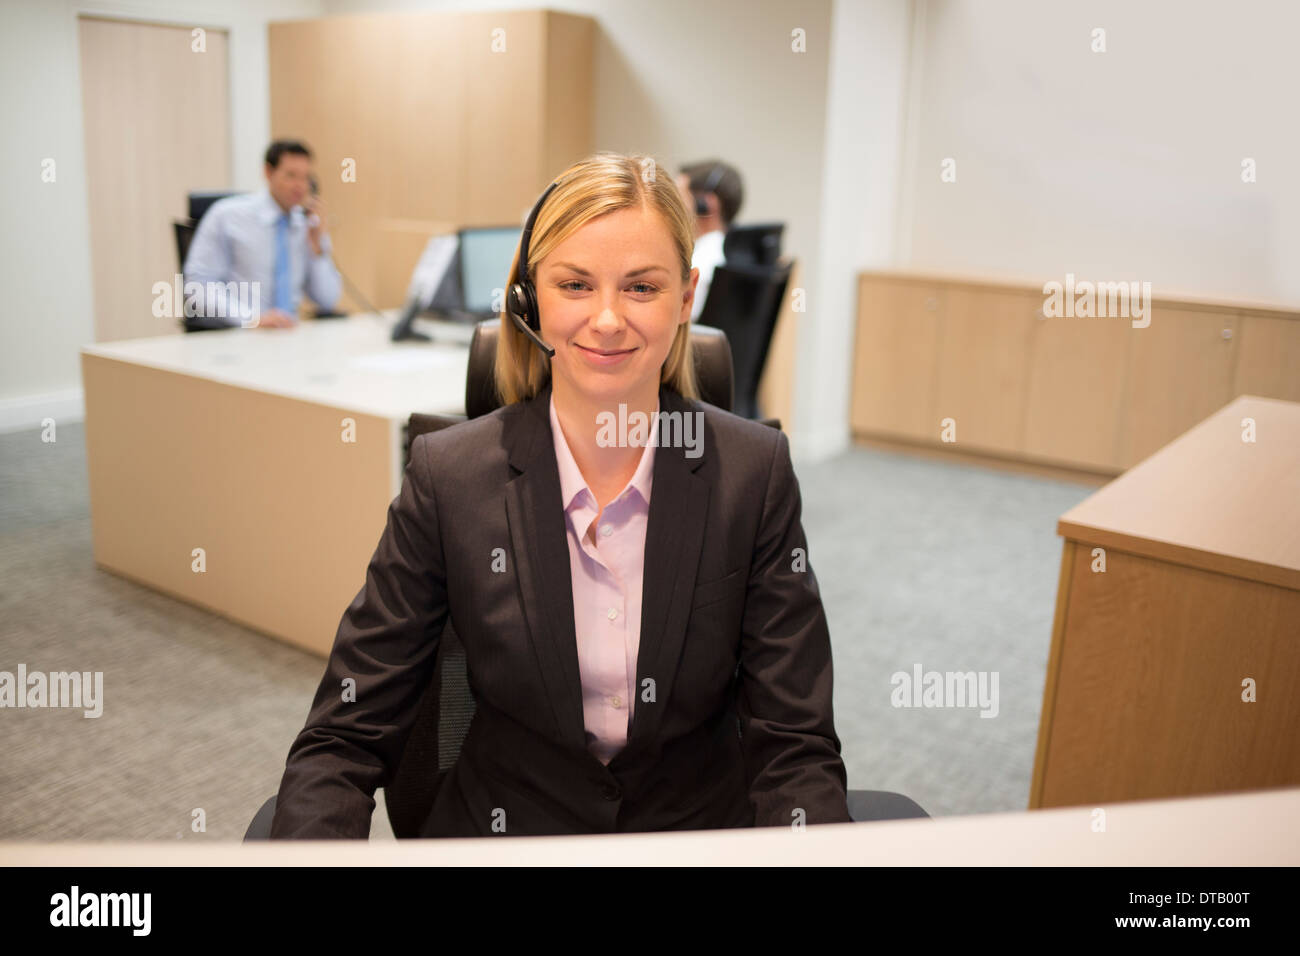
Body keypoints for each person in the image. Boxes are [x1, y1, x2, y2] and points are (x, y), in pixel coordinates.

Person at [269, 152, 850, 838]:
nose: (606, 320)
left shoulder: (752, 475)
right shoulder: (449, 477)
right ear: (529, 300)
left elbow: (795, 742)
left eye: (641, 288)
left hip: (692, 838)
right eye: (575, 285)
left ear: (686, 297)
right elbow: (344, 733)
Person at [182, 140, 341, 329]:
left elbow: (327, 300)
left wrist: (318, 249)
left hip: (289, 337)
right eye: (291, 176)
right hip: (238, 333)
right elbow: (198, 285)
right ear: (268, 172)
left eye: (305, 177)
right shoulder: (227, 215)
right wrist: (250, 319)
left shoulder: (307, 224)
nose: (300, 186)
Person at [676, 160, 743, 320]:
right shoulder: (725, 253)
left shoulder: (703, 264)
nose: (672, 207)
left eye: (678, 197)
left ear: (705, 205)